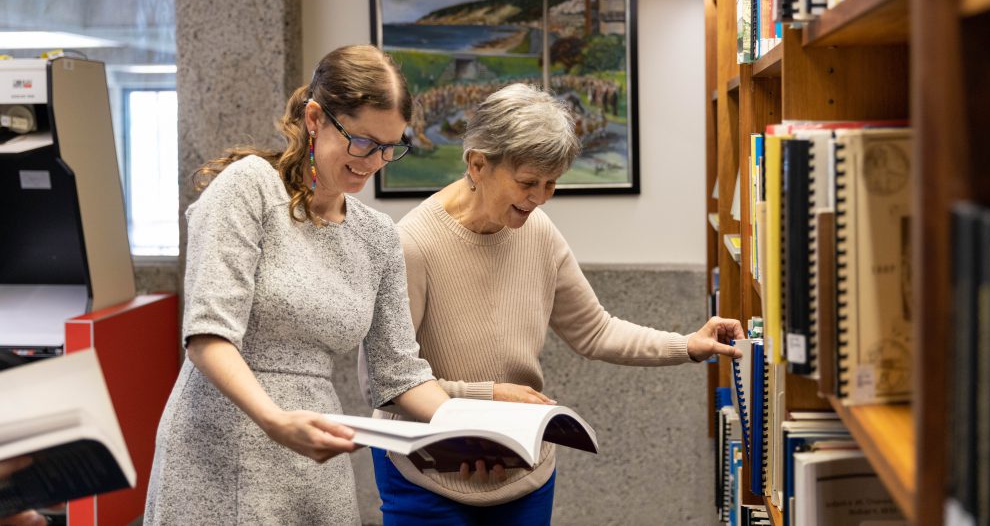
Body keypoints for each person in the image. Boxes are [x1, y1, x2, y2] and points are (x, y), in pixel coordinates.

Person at [369, 83, 744, 525]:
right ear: (478, 164)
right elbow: (385, 384)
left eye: (552, 184)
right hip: (426, 476)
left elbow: (595, 330)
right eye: (528, 182)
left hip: (521, 468)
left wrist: (687, 345)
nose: (540, 198)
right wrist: (481, 406)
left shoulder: (538, 230)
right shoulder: (409, 243)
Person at [144, 45, 450, 526]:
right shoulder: (250, 188)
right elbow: (208, 336)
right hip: (220, 446)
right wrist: (272, 419)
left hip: (313, 451)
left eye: (391, 147)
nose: (375, 162)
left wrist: (470, 427)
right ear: (315, 118)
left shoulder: (377, 236)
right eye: (363, 142)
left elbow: (399, 373)